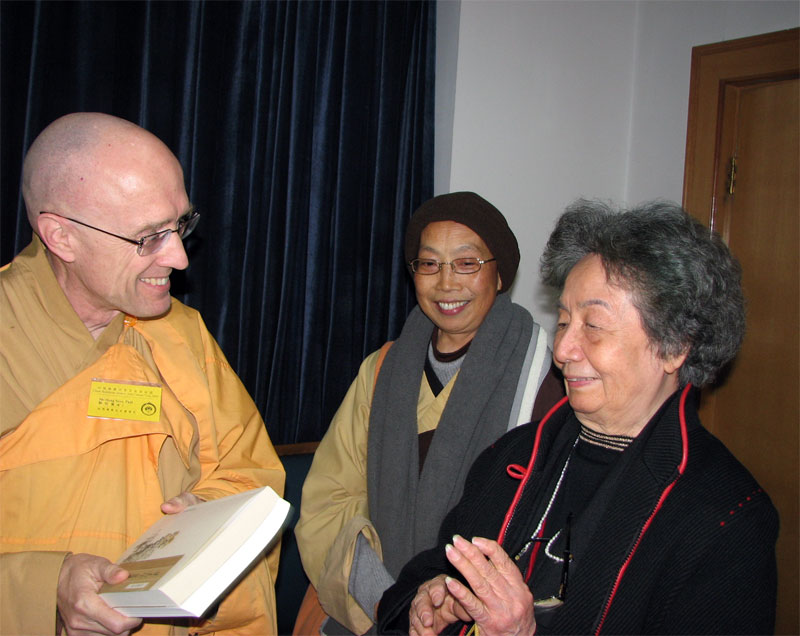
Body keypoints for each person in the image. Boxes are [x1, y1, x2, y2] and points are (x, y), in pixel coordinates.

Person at [376, 199, 779, 636]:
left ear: (675, 346)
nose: (564, 350)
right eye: (564, 322)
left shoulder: (724, 518)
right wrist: (427, 601)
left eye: (593, 326)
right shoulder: (512, 456)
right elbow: (421, 577)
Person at [0, 113, 285, 636]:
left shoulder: (182, 334)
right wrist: (44, 588)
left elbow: (252, 472)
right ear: (60, 236)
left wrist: (209, 516)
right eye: (148, 237)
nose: (178, 257)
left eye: (180, 224)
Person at [294, 192, 564, 634]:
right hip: (368, 607)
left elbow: (541, 531)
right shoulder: (381, 370)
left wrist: (444, 604)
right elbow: (329, 500)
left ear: (499, 276)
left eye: (466, 263)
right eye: (429, 264)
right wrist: (391, 602)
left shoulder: (543, 384)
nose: (445, 283)